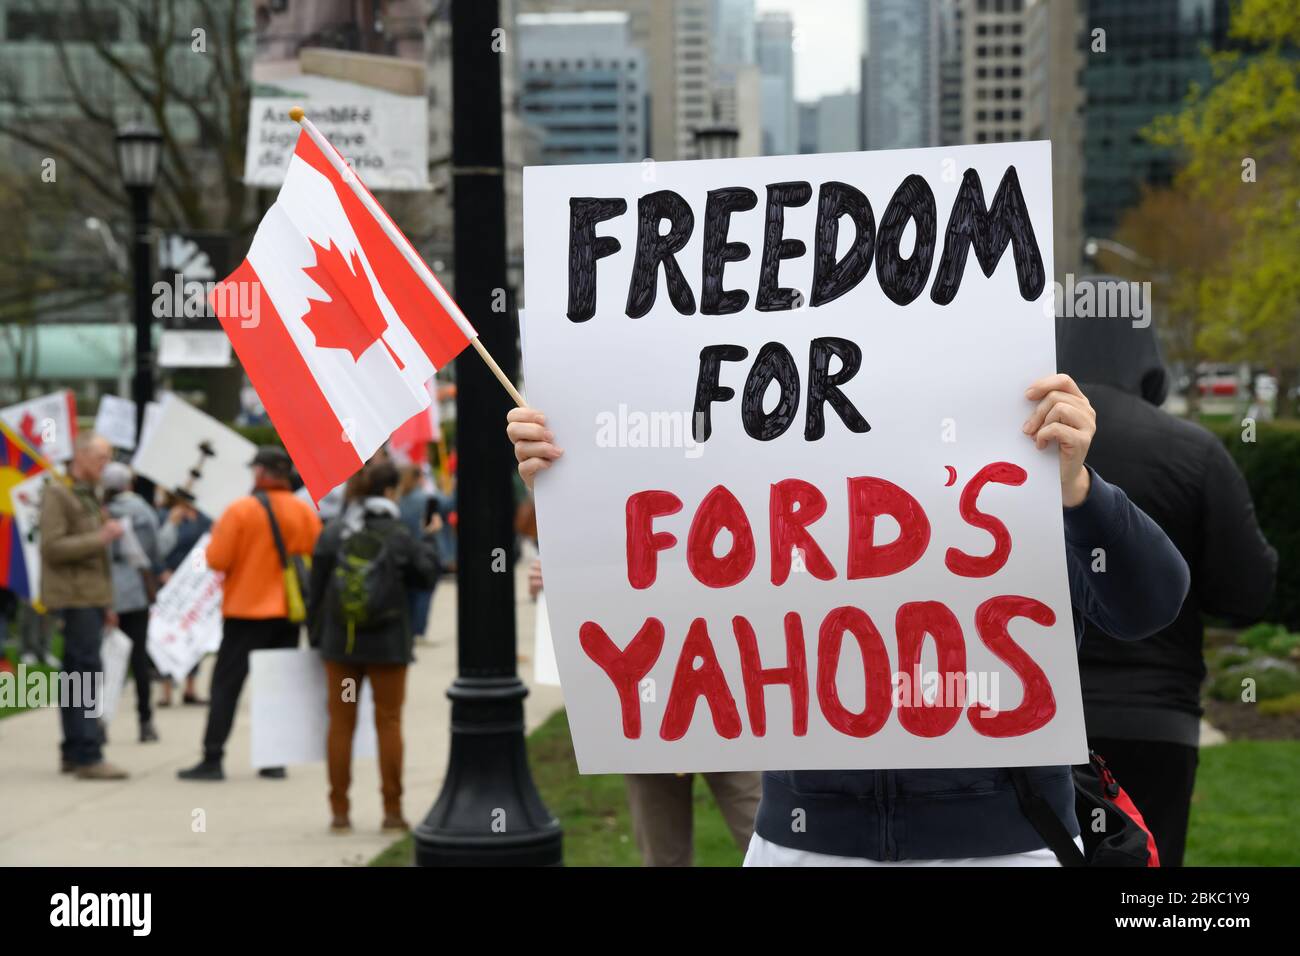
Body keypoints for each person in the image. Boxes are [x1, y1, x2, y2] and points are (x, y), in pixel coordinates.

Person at [507, 373, 1191, 866]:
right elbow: (662, 595)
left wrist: (1079, 491)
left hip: (1005, 840)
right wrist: (578, 489)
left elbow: (1149, 604)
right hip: (809, 841)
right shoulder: (769, 499)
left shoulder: (1018, 483)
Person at [1058, 302, 1278, 866]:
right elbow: (1246, 592)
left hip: (1045, 720)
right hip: (1157, 720)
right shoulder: (1194, 450)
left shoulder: (1012, 448)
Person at [307, 460, 439, 832]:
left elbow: (314, 593)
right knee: (390, 722)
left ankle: (339, 811)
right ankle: (392, 811)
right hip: (387, 646)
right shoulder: (398, 534)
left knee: (341, 725)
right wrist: (429, 537)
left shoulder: (334, 532)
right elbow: (426, 576)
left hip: (341, 646)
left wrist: (317, 640)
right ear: (390, 492)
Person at [178, 446, 321, 782]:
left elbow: (217, 559)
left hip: (245, 610)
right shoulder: (304, 512)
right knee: (277, 686)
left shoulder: (240, 510)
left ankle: (213, 758)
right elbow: (318, 552)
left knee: (226, 686)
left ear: (259, 473)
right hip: (289, 611)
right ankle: (274, 761)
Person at [39, 433, 128, 780]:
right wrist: (100, 538)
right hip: (74, 597)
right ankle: (88, 754)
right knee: (84, 675)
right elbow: (53, 547)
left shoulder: (86, 495)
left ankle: (74, 750)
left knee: (78, 674)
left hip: (89, 597)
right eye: (101, 458)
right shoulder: (59, 493)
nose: (105, 466)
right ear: (81, 456)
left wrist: (106, 601)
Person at [102, 462, 164, 743]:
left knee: (102, 660)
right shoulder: (142, 511)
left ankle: (99, 723)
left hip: (104, 590)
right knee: (138, 659)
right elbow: (155, 549)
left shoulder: (99, 510)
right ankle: (145, 721)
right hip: (136, 592)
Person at [155, 494, 211, 706]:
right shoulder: (163, 516)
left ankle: (190, 687)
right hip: (168, 586)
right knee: (166, 636)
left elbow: (202, 547)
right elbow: (157, 550)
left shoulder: (202, 518)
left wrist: (196, 575)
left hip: (191, 587)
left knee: (193, 635)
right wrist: (171, 522)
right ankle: (166, 690)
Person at [395, 465, 442, 642]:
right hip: (425, 550)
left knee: (409, 593)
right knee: (425, 592)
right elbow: (446, 505)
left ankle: (408, 629)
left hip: (404, 550)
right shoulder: (426, 499)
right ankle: (419, 631)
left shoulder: (398, 500)